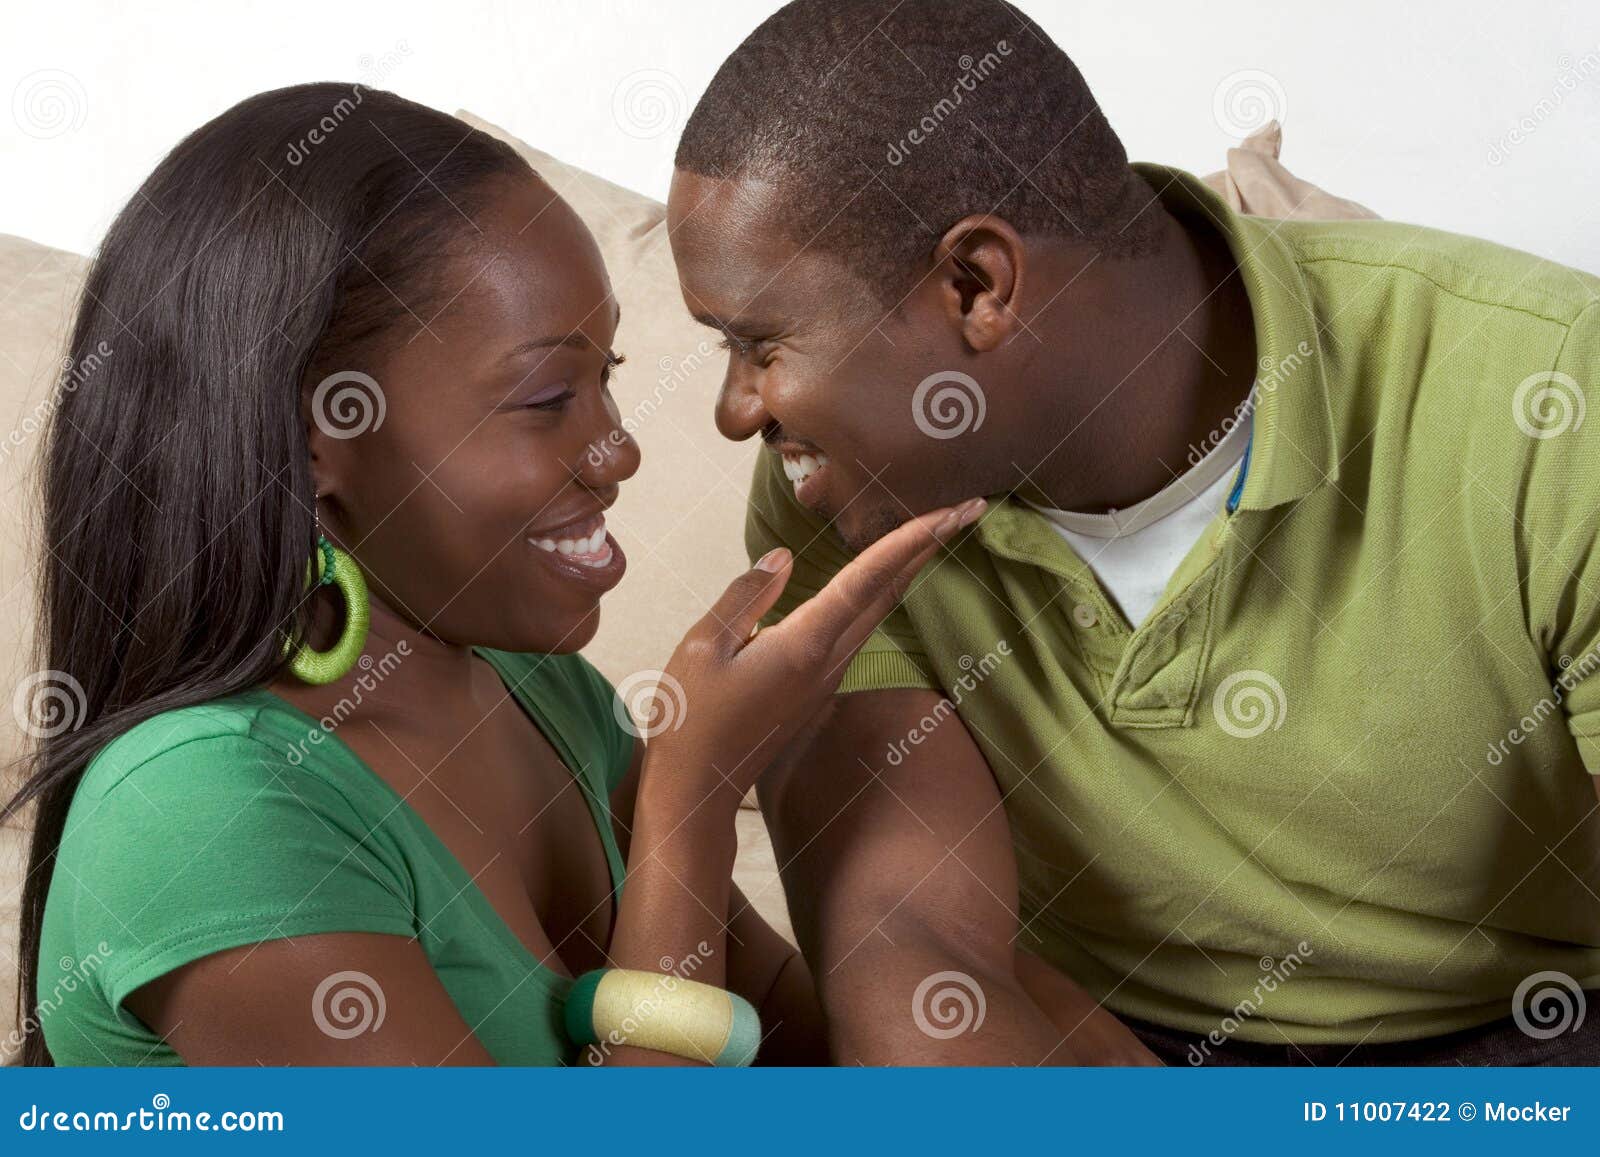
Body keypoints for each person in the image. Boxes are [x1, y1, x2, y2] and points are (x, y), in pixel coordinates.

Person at [667, 0, 1600, 1065]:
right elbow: (909, 948)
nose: (738, 410)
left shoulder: (1555, 397)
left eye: (760, 342)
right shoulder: (839, 483)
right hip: (1081, 1045)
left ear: (977, 285)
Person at [2, 82, 989, 1066]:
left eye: (605, 376)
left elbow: (799, 1046)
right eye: (547, 395)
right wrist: (691, 802)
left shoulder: (544, 694)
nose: (617, 452)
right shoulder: (200, 810)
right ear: (323, 436)